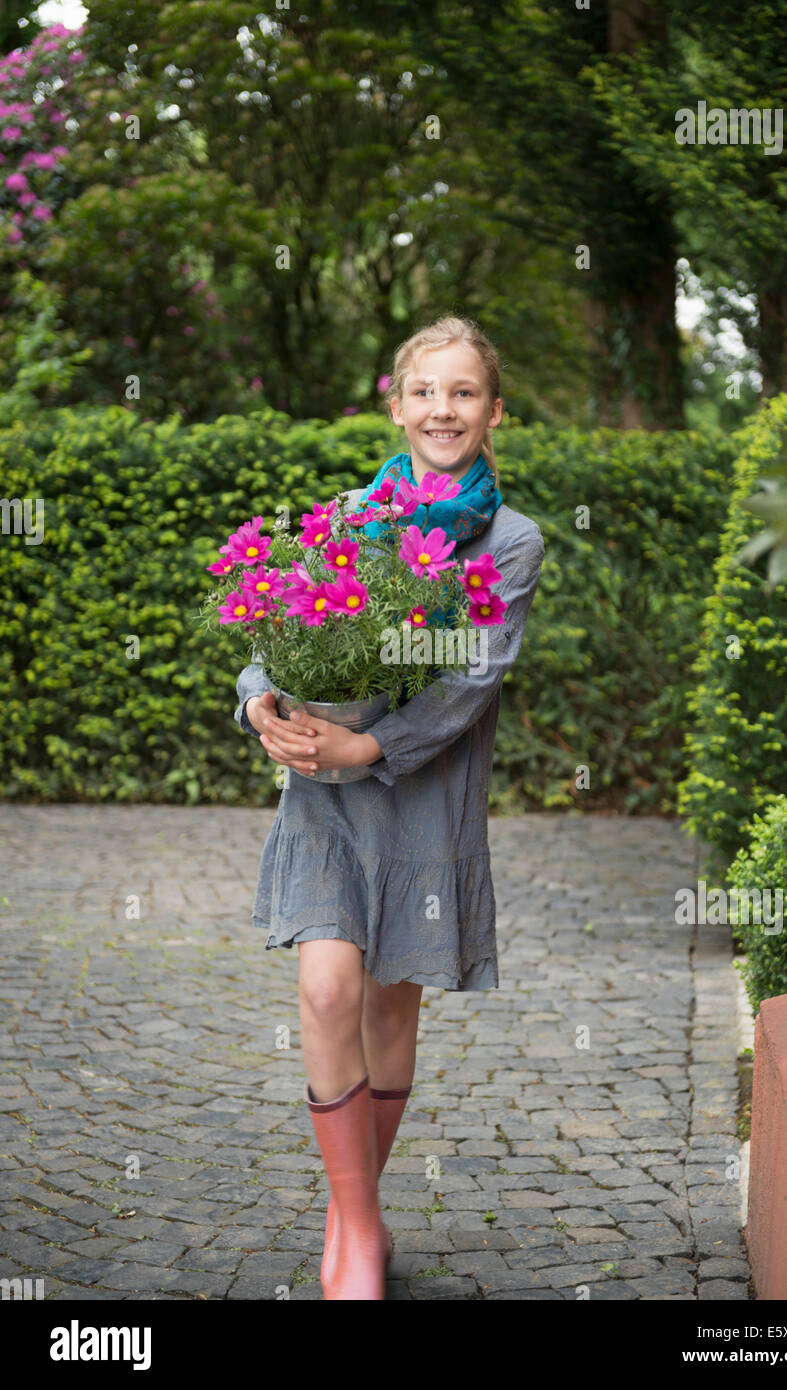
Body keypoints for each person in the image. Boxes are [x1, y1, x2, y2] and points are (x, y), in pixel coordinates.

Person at [234, 315, 545, 1300]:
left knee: (387, 1002)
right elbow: (273, 627)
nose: (441, 409)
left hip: (422, 797)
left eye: (462, 393)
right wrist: (256, 700)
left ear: (494, 413)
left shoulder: (511, 541)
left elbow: (473, 680)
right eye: (424, 391)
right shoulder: (349, 516)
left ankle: (350, 1213)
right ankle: (360, 1226)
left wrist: (370, 742)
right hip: (324, 793)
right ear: (398, 404)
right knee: (326, 989)